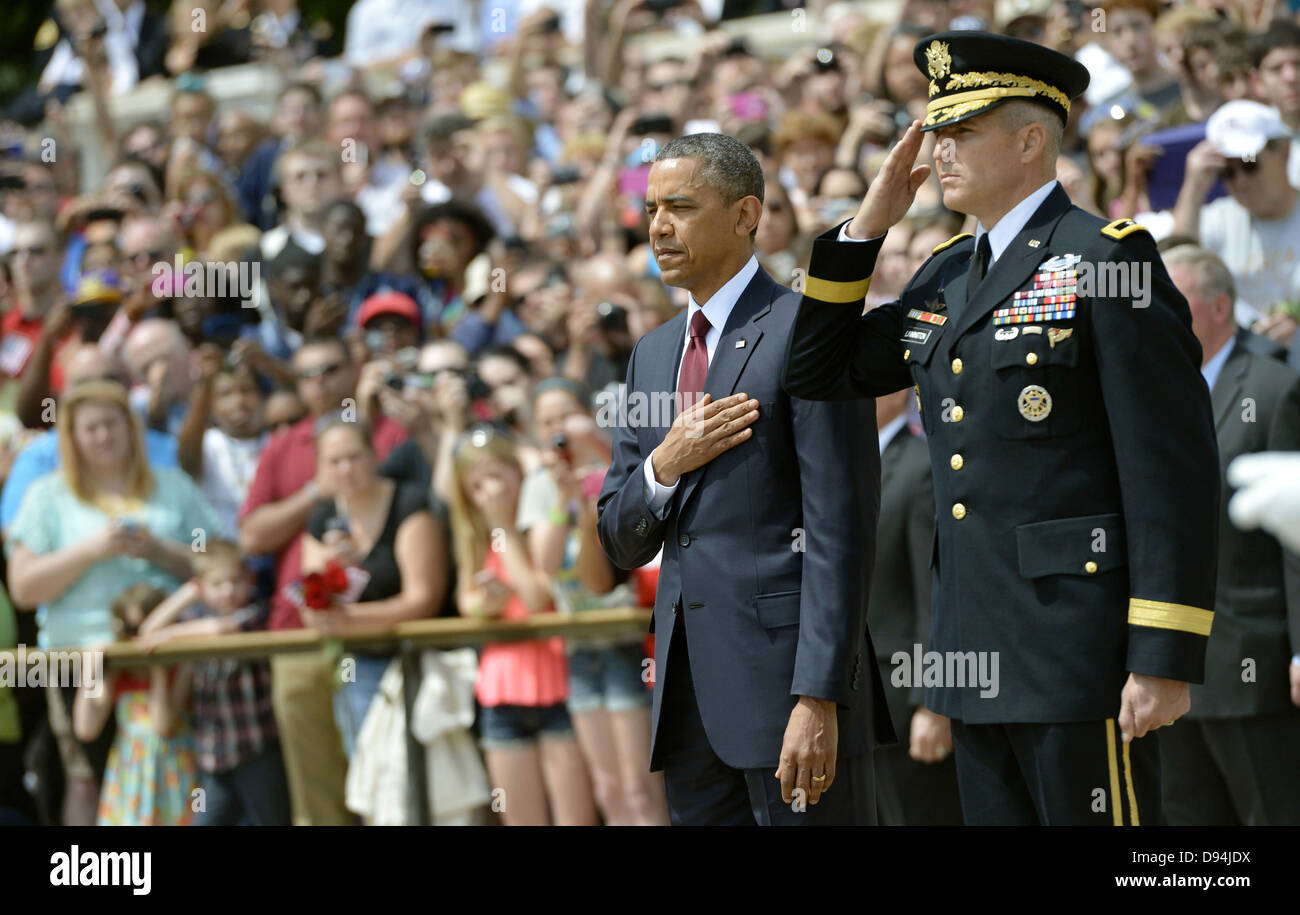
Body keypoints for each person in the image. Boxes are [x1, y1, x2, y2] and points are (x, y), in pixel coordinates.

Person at [784, 32, 1219, 825]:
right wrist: (865, 228)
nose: (939, 151)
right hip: (972, 655)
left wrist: (1163, 653)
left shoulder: (1105, 260)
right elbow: (820, 370)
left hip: (1081, 654)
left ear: (1029, 142)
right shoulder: (947, 271)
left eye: (962, 132)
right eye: (935, 132)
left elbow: (1171, 472)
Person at [597, 132, 892, 825]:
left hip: (793, 703)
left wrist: (819, 696)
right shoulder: (653, 353)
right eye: (649, 210)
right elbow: (619, 537)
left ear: (745, 214)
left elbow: (840, 527)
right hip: (690, 711)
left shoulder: (806, 327)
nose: (659, 227)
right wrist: (664, 467)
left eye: (680, 206)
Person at [238, 336, 406, 826]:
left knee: (387, 777)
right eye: (307, 373)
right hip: (298, 632)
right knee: (317, 793)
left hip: (379, 631)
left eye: (330, 369)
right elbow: (251, 536)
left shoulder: (388, 433)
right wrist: (316, 490)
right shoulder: (282, 445)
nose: (319, 382)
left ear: (353, 370)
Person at [1160, 245, 1300, 826]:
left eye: (1175, 297)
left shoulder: (1272, 388)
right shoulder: (1150, 390)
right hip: (1166, 666)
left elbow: (1294, 533)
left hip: (1251, 664)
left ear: (1219, 306)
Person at [519, 377, 666, 825]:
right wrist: (565, 500)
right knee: (608, 789)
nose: (558, 429)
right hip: (581, 646)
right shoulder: (541, 485)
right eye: (546, 422)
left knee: (642, 788)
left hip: (629, 641)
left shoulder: (616, 463)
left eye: (565, 415)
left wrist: (599, 452)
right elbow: (544, 565)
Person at [450, 424, 597, 826]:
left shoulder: (542, 519)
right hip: (501, 692)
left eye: (497, 475)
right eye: (477, 486)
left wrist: (504, 528)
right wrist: (488, 604)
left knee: (576, 816)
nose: (490, 492)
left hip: (556, 682)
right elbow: (467, 601)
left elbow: (536, 597)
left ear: (518, 472)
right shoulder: (473, 537)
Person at [300, 414, 449, 757]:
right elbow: (311, 607)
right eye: (334, 461)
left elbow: (423, 599)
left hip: (416, 661)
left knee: (419, 776)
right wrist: (331, 569)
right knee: (371, 775)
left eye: (354, 456)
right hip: (357, 667)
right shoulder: (322, 518)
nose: (346, 469)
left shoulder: (410, 502)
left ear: (373, 454)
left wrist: (347, 620)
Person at [138, 540, 291, 826]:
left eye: (235, 581)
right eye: (217, 584)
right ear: (201, 587)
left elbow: (221, 630)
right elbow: (149, 631)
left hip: (257, 752)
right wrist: (188, 593)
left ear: (250, 580)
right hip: (214, 760)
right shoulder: (195, 621)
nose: (228, 591)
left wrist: (171, 636)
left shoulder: (257, 614)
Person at [868, 388, 962, 826]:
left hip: (901, 695)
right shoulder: (833, 466)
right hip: (851, 699)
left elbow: (935, 595)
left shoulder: (921, 466)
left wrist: (932, 703)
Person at [73, 583, 198, 826]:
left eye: (145, 628)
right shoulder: (118, 672)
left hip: (174, 771)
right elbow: (86, 729)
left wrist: (157, 669)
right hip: (130, 775)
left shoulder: (181, 667)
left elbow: (163, 725)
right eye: (131, 629)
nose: (138, 637)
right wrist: (91, 671)